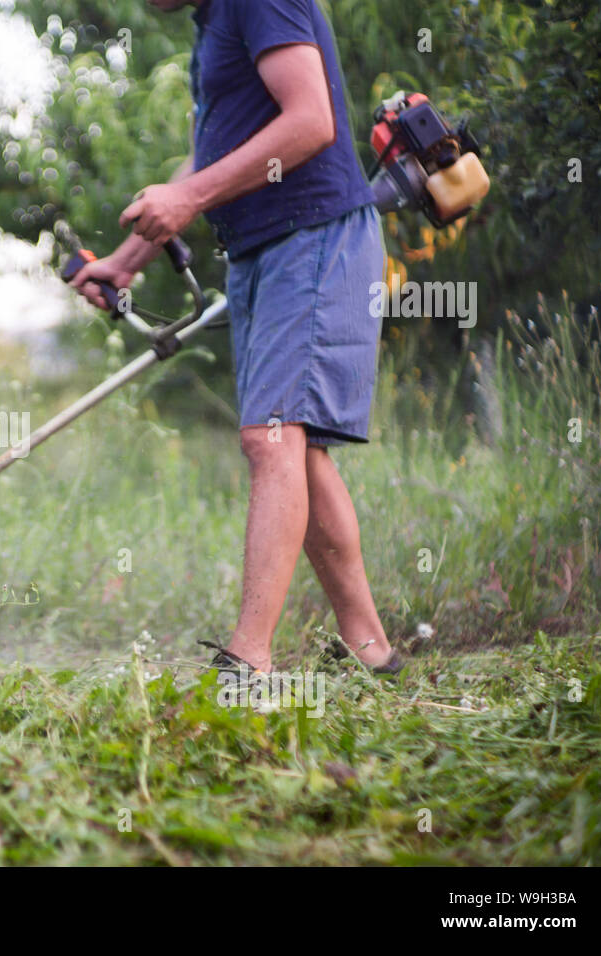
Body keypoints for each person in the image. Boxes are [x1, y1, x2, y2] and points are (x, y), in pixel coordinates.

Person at [69, 0, 403, 678]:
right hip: (261, 248)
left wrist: (189, 200)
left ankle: (248, 660)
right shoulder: (212, 21)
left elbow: (311, 120)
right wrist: (126, 261)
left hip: (311, 234)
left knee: (271, 436)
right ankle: (372, 650)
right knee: (297, 453)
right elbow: (212, 156)